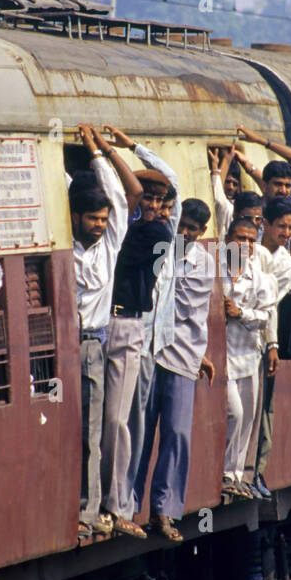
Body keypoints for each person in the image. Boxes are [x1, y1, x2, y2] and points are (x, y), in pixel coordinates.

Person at [98, 127, 176, 540]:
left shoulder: (155, 234)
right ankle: (101, 502)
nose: (152, 205)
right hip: (99, 325)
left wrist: (114, 149)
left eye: (158, 200)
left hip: (128, 325)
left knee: (119, 418)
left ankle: (119, 504)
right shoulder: (122, 226)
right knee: (101, 418)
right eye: (146, 198)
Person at [131, 199, 216, 539]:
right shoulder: (158, 248)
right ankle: (127, 504)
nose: (183, 233)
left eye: (191, 230)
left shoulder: (204, 264)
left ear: (202, 233)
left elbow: (177, 307)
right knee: (140, 429)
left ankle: (164, 511)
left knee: (176, 434)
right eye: (181, 225)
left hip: (181, 356)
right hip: (149, 353)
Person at [71, 124, 136, 541]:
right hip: (63, 346)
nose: (99, 224)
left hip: (94, 344)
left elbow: (120, 200)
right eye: (92, 218)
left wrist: (98, 154)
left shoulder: (109, 246)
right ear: (75, 216)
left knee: (92, 434)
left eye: (102, 219)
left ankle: (90, 511)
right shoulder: (69, 248)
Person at [222, 217, 276, 497]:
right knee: (235, 412)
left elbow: (266, 316)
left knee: (248, 417)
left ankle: (235, 473)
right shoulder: (215, 271)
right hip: (223, 356)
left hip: (249, 353)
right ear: (228, 238)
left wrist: (240, 313)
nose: (244, 245)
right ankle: (224, 471)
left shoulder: (261, 277)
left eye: (250, 240)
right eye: (239, 238)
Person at [250, 195, 291, 497]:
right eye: (281, 226)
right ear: (264, 224)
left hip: (262, 339)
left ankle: (256, 471)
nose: (287, 233)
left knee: (263, 410)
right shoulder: (246, 248)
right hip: (242, 338)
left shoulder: (285, 263)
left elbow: (270, 307)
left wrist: (272, 344)